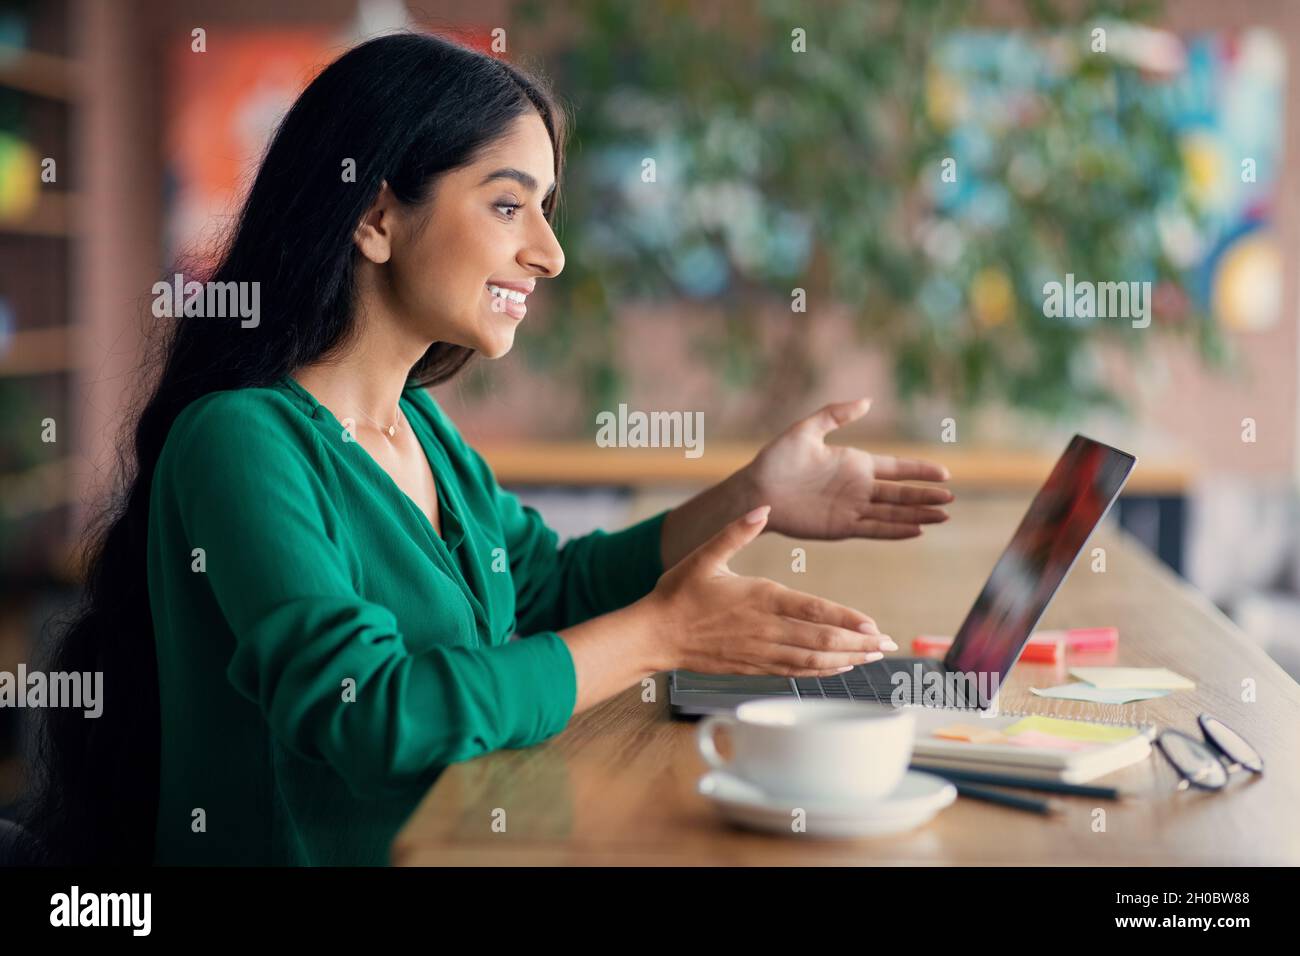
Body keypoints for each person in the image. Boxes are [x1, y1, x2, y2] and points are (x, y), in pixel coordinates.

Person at [19, 32, 953, 866]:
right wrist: (664, 635)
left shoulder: (420, 431)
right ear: (376, 217)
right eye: (510, 207)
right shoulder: (239, 441)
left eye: (546, 210)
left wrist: (753, 492)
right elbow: (367, 710)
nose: (549, 254)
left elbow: (552, 587)